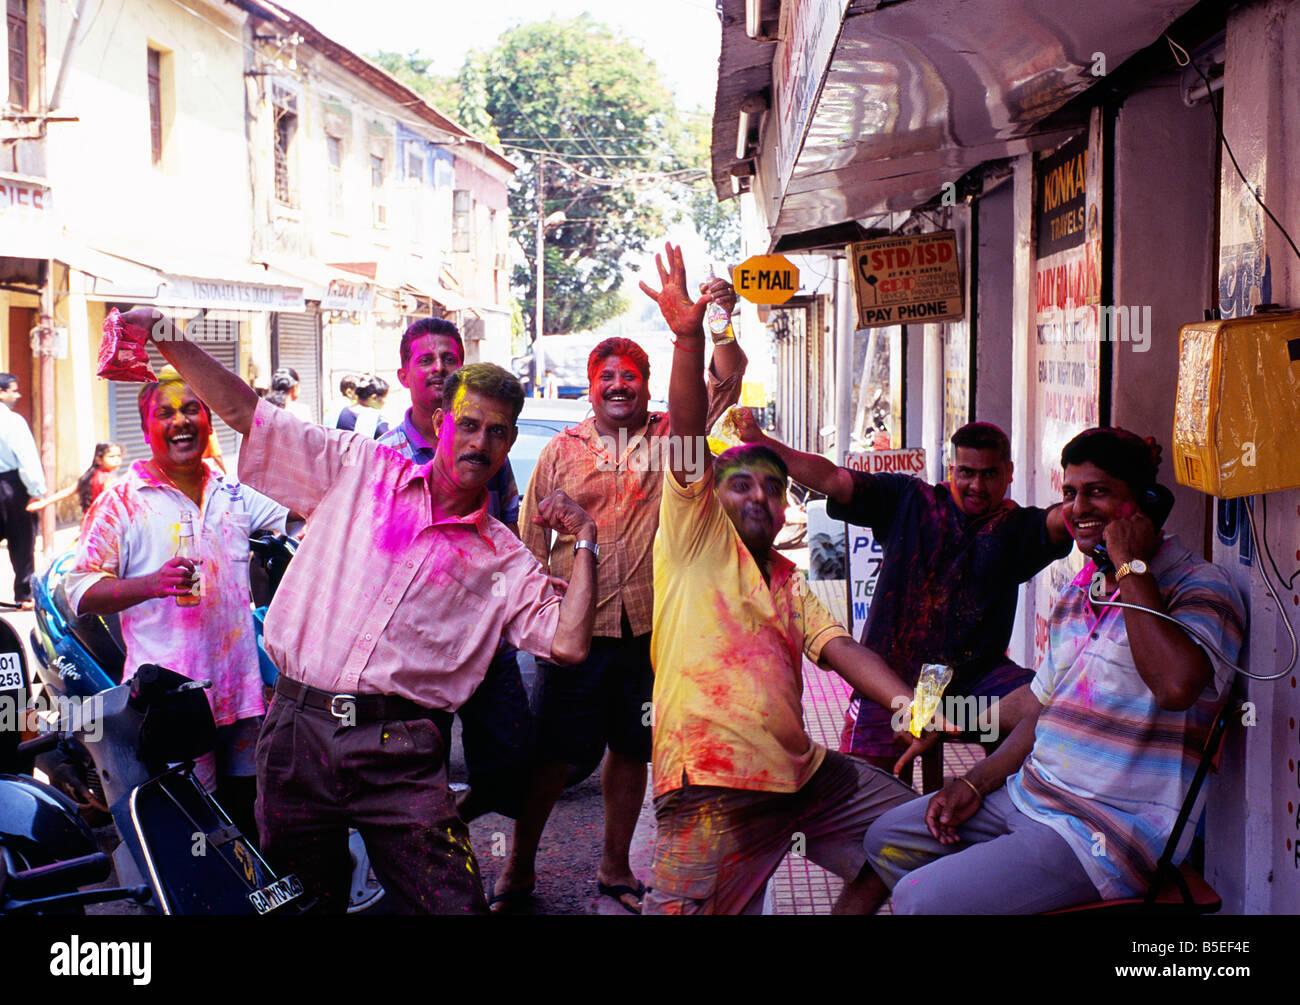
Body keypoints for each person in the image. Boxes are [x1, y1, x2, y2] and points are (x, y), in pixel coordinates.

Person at [118, 306, 599, 914]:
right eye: (470, 424)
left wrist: (585, 541)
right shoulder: (359, 467)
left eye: (498, 432)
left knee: (452, 906)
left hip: (401, 750)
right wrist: (166, 335)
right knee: (300, 906)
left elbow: (571, 642)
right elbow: (247, 413)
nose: (481, 442)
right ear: (442, 420)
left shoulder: (501, 558)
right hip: (296, 733)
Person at [637, 242, 927, 915]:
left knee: (921, 827)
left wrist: (908, 705)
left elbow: (843, 649)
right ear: (712, 493)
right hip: (708, 786)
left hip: (803, 780)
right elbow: (684, 436)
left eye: (772, 489)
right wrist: (687, 341)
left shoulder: (789, 581)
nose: (758, 499)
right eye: (739, 485)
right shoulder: (692, 539)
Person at [863, 428, 1247, 913]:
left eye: (1098, 491)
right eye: (1070, 493)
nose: (1079, 507)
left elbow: (1175, 686)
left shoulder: (1200, 587)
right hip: (1029, 795)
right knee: (886, 839)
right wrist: (967, 765)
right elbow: (1038, 704)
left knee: (919, 901)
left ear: (1145, 504)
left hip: (1104, 832)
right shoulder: (1080, 590)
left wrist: (1130, 566)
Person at [491, 273, 748, 914]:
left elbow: (728, 377)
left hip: (653, 632)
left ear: (647, 383)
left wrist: (717, 322)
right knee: (554, 758)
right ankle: (516, 868)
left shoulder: (675, 436)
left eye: (628, 376)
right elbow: (530, 547)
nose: (617, 386)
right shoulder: (560, 452)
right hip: (579, 637)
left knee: (633, 749)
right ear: (591, 383)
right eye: (606, 377)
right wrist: (538, 624)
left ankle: (613, 869)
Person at [734, 412, 1072, 786]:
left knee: (1047, 705)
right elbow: (833, 479)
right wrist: (762, 441)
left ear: (1009, 472)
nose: (977, 484)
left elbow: (1066, 518)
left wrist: (1126, 484)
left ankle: (970, 788)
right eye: (966, 472)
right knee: (867, 794)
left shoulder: (1017, 526)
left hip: (974, 683)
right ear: (950, 468)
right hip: (891, 680)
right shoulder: (909, 498)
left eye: (989, 474)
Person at [63, 372, 288, 838]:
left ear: (208, 421)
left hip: (238, 691)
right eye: (165, 413)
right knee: (194, 826)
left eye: (192, 409)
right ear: (146, 429)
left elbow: (302, 512)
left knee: (246, 812)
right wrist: (150, 583)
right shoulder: (121, 502)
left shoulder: (231, 492)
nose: (181, 421)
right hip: (173, 703)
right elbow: (80, 590)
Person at [378, 317, 530, 821]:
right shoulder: (386, 456)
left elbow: (509, 528)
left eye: (450, 359)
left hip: (486, 640)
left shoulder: (491, 450)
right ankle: (432, 865)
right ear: (404, 375)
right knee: (419, 776)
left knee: (511, 768)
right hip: (414, 650)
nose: (440, 368)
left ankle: (454, 829)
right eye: (426, 359)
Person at [0, 373, 46, 608]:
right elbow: (27, 458)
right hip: (11, 486)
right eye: (13, 390)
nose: (17, 395)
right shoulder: (13, 421)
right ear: (1, 392)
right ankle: (24, 594)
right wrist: (37, 490)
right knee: (22, 540)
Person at [27, 442, 123, 518]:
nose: (117, 459)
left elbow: (67, 492)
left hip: (89, 523)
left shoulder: (89, 476)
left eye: (118, 456)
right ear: (99, 460)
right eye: (111, 456)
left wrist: (44, 503)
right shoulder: (110, 480)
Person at [337, 374, 389, 439]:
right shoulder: (376, 418)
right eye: (385, 397)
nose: (386, 401)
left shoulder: (342, 411)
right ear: (374, 397)